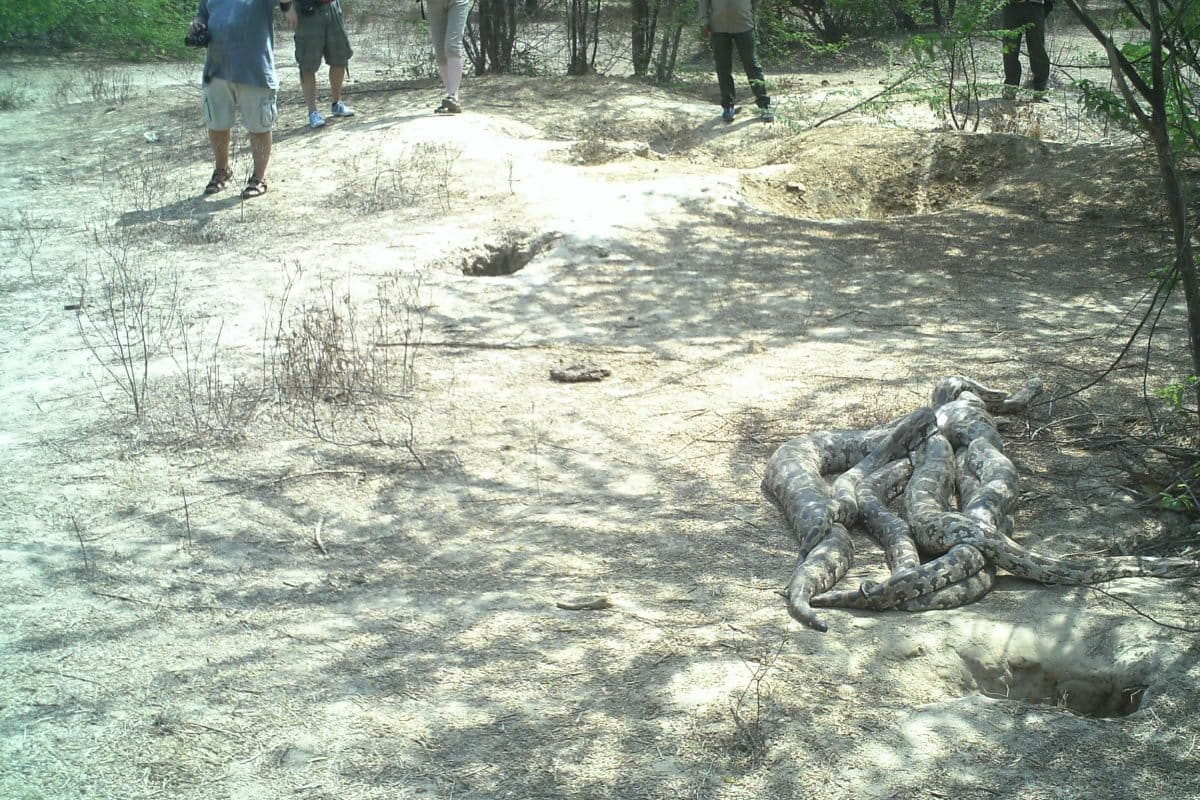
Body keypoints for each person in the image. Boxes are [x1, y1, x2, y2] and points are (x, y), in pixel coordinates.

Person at [191, 0, 282, 199]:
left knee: (259, 126)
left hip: (254, 69)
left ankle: (259, 177)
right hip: (217, 69)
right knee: (217, 124)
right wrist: (198, 24)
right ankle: (222, 172)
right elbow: (202, 14)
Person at [284, 0, 356, 128]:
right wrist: (287, 7)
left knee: (340, 57)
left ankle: (336, 104)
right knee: (307, 64)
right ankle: (313, 112)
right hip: (306, 10)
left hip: (332, 7)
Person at [699, 0, 773, 123]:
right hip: (718, 27)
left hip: (744, 24)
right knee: (723, 67)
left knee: (752, 65)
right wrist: (704, 21)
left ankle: (764, 105)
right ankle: (728, 106)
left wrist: (748, 10)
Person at [424, 0, 472, 114]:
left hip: (457, 2)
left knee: (452, 46)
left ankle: (454, 96)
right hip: (434, 3)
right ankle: (451, 98)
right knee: (440, 54)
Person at [1001, 0, 1050, 95]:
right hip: (1011, 6)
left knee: (1037, 48)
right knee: (1009, 48)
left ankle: (1040, 90)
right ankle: (1010, 88)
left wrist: (1048, 5)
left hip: (1035, 5)